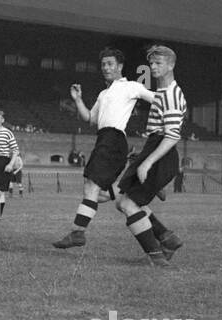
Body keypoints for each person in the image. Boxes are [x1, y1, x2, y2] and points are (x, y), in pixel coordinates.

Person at [54, 47, 160, 250]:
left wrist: (173, 100)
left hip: (113, 139)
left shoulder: (131, 86)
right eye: (103, 64)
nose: (106, 67)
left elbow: (155, 98)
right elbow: (90, 119)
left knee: (92, 188)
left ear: (120, 66)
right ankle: (163, 232)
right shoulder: (104, 93)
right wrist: (77, 100)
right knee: (93, 189)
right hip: (104, 138)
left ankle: (78, 233)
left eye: (110, 64)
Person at [111, 45, 188, 267]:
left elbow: (173, 136)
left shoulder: (172, 94)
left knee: (128, 205)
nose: (153, 67)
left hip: (161, 153)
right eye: (151, 63)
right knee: (122, 202)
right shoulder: (162, 92)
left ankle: (157, 257)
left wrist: (148, 163)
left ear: (171, 65)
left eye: (159, 63)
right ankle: (166, 237)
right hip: (153, 147)